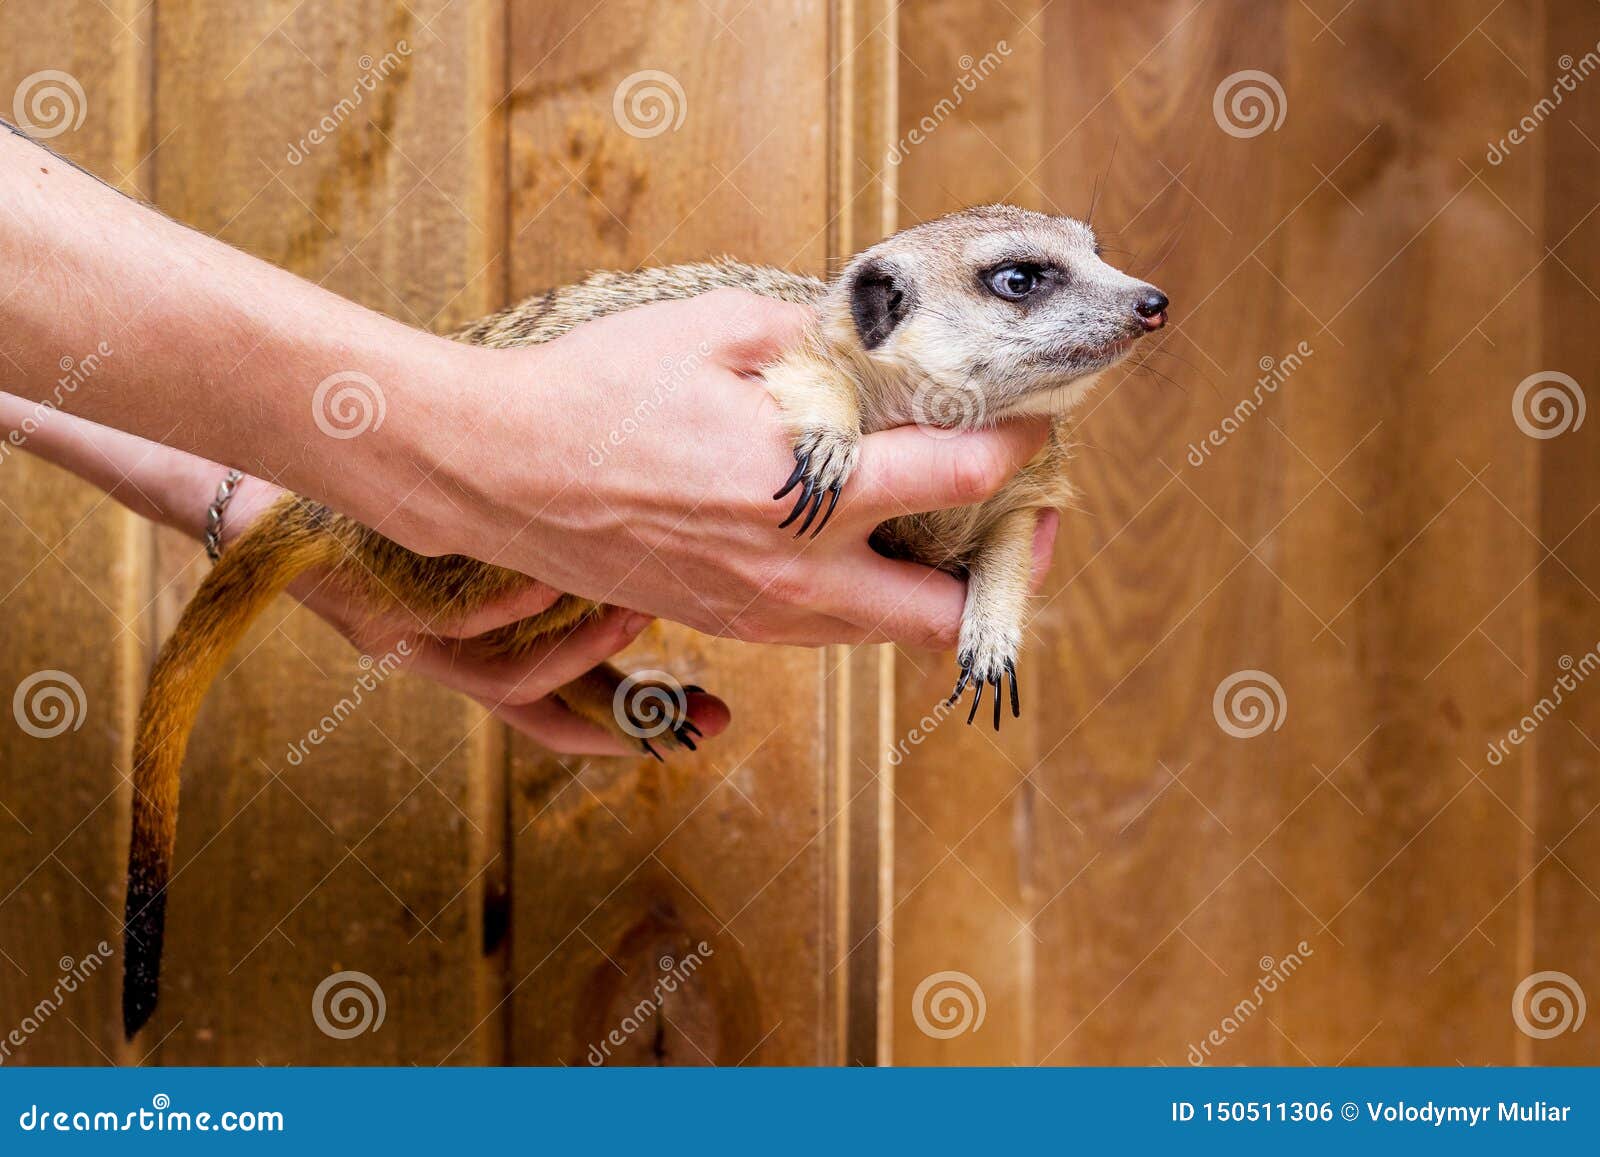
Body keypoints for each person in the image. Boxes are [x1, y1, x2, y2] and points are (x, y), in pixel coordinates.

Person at [0, 125, 1058, 753]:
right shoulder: (841, 346)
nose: (1142, 308)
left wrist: (234, 492)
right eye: (1024, 285)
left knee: (530, 611)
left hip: (412, 535)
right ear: (887, 305)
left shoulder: (1006, 436)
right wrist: (474, 458)